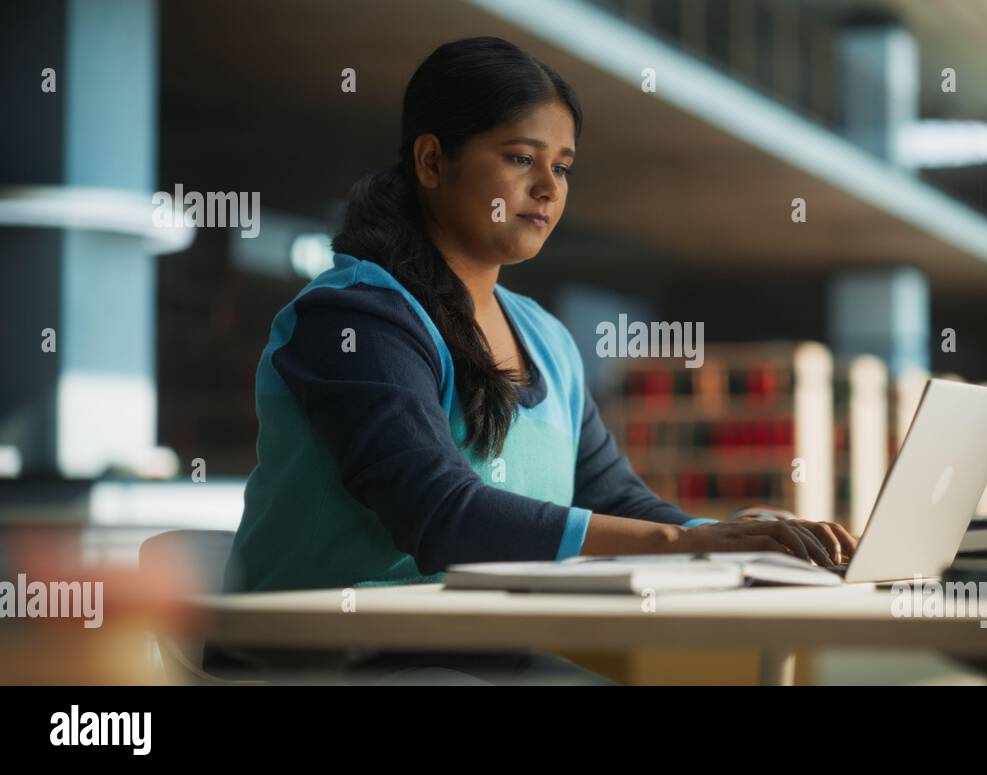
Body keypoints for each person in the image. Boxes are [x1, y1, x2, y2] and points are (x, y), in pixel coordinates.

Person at [209, 36, 855, 685]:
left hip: (467, 653)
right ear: (433, 162)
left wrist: (746, 541)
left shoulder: (546, 339)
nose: (548, 187)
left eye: (564, 167)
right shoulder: (353, 319)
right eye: (521, 158)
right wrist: (682, 542)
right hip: (316, 660)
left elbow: (614, 498)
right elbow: (439, 512)